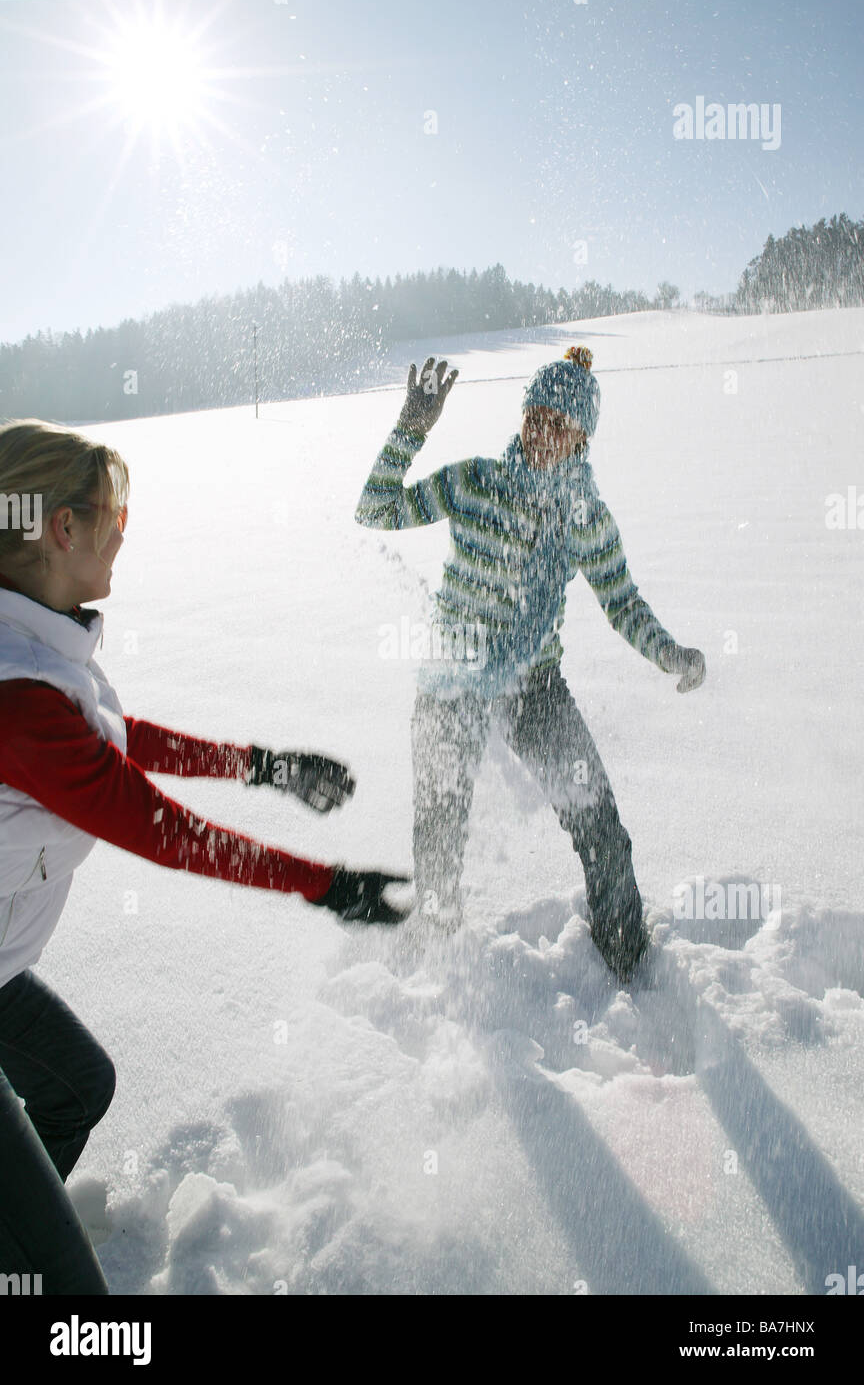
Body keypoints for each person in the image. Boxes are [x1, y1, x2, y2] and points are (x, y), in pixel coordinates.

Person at [0, 418, 407, 1294]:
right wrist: (325, 885)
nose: (123, 530)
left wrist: (263, 765)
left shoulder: (38, 647)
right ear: (60, 529)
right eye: (112, 512)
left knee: (78, 1086)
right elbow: (157, 827)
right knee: (75, 1294)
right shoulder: (17, 696)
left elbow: (116, 737)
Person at [355, 349, 705, 981]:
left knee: (597, 819)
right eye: (535, 415)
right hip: (450, 681)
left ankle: (628, 962)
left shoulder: (583, 517)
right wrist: (412, 428)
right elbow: (375, 510)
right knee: (438, 831)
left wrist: (668, 653)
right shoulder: (475, 481)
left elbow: (621, 600)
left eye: (559, 421)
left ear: (581, 439)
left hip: (534, 684)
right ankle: (436, 958)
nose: (542, 430)